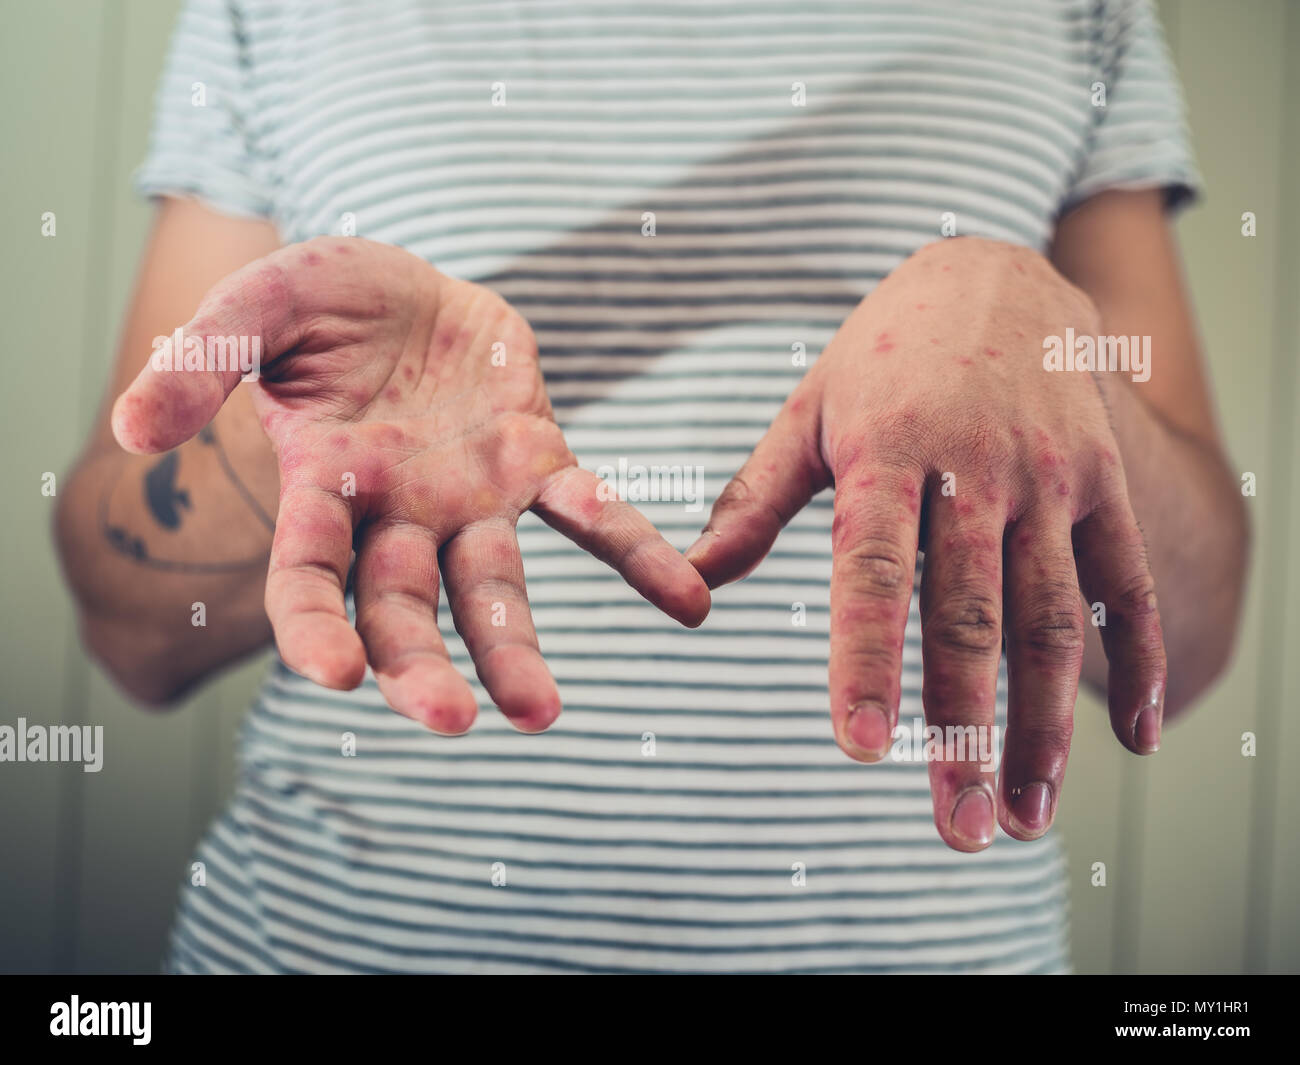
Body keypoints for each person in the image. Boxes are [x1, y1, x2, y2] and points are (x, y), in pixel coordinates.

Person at [55, 0, 1248, 973]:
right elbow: (131, 628)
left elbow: (1179, 647)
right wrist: (328, 425)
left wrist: (1051, 349)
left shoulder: (1074, 13)